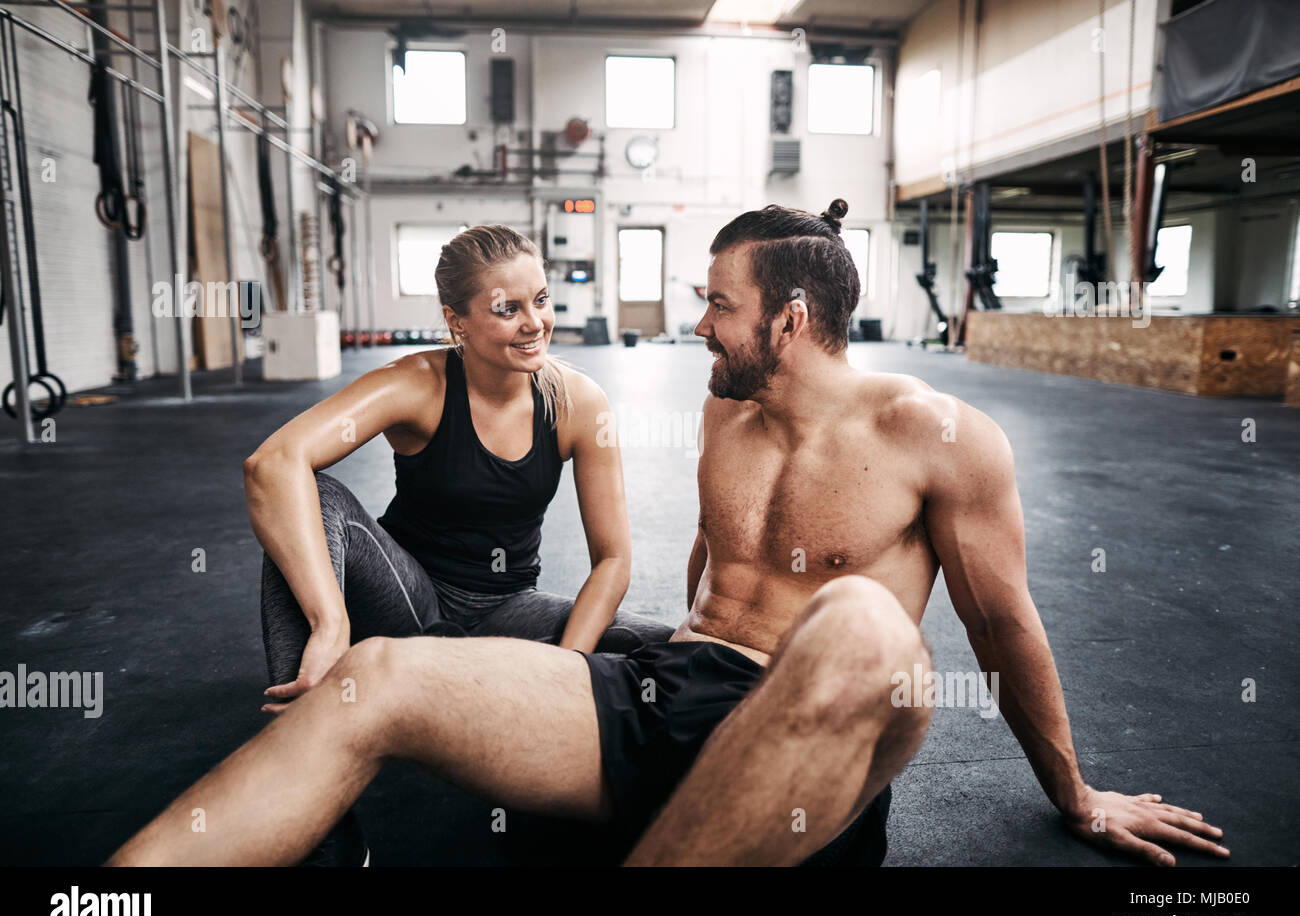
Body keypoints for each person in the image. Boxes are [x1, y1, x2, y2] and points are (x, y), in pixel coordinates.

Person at [109, 200, 1227, 867]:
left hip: (802, 726)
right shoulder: (723, 410)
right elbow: (704, 572)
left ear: (787, 320)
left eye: (716, 304)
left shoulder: (939, 434)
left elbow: (1006, 627)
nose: (694, 322)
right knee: (382, 674)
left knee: (863, 625)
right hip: (661, 696)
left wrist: (1074, 798)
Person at [246, 224, 668, 864]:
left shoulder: (578, 401)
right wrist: (330, 621)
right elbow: (272, 463)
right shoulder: (416, 384)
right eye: (507, 308)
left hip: (504, 611)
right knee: (312, 500)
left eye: (542, 300)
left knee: (666, 650)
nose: (535, 324)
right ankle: (324, 828)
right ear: (457, 320)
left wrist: (566, 666)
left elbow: (612, 560)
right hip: (405, 601)